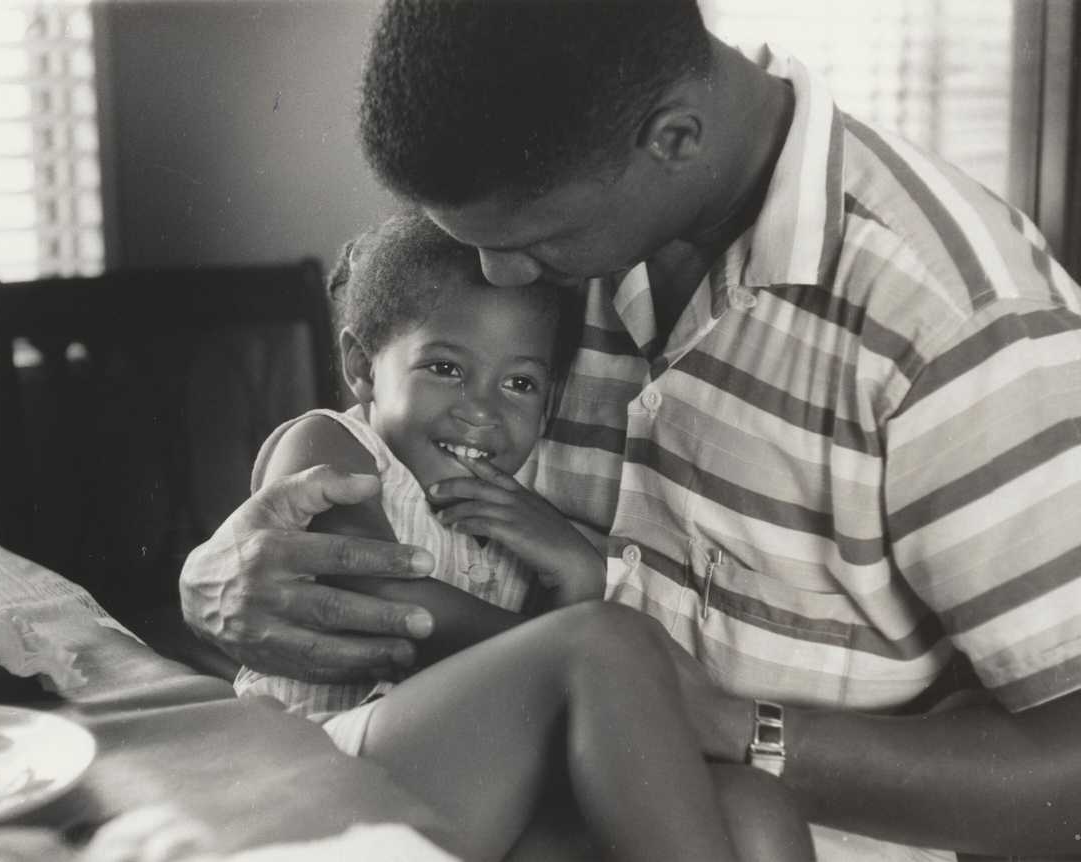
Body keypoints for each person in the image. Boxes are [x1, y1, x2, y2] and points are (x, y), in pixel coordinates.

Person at [181, 1, 1081, 859]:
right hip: (502, 803)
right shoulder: (547, 196)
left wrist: (739, 728)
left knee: (754, 813)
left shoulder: (957, 321)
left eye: (535, 242)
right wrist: (221, 574)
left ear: (675, 139)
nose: (499, 274)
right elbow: (360, 464)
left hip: (765, 830)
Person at [231, 212, 813, 862]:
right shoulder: (334, 442)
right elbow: (379, 597)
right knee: (609, 639)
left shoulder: (516, 518)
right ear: (363, 367)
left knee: (755, 812)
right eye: (446, 368)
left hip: (465, 788)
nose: (482, 409)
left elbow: (545, 705)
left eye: (520, 384)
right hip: (321, 767)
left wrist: (572, 577)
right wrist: (582, 635)